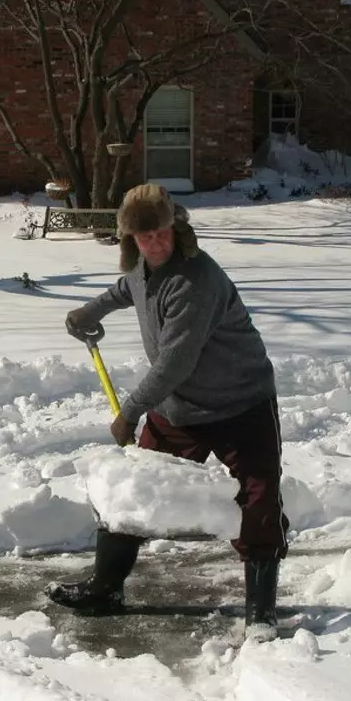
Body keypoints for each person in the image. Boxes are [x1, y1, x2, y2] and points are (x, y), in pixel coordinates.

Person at [46, 183, 290, 642]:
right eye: (143, 237)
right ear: (131, 240)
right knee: (132, 489)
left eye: (160, 232)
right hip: (180, 410)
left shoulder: (197, 281)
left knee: (259, 499)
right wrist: (88, 310)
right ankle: (105, 589)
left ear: (175, 227)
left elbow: (174, 363)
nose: (154, 243)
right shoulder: (144, 266)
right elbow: (128, 289)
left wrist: (130, 413)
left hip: (243, 404)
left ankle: (261, 610)